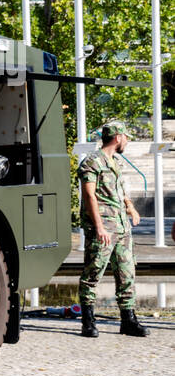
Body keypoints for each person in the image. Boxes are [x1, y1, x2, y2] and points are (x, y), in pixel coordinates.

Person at [78, 121, 148, 338]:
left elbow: (120, 191)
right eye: (125, 137)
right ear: (118, 137)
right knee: (93, 272)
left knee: (127, 273)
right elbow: (89, 196)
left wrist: (131, 208)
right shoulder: (92, 162)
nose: (126, 140)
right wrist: (99, 227)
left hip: (121, 227)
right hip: (104, 229)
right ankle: (88, 322)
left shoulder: (116, 162)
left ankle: (128, 320)